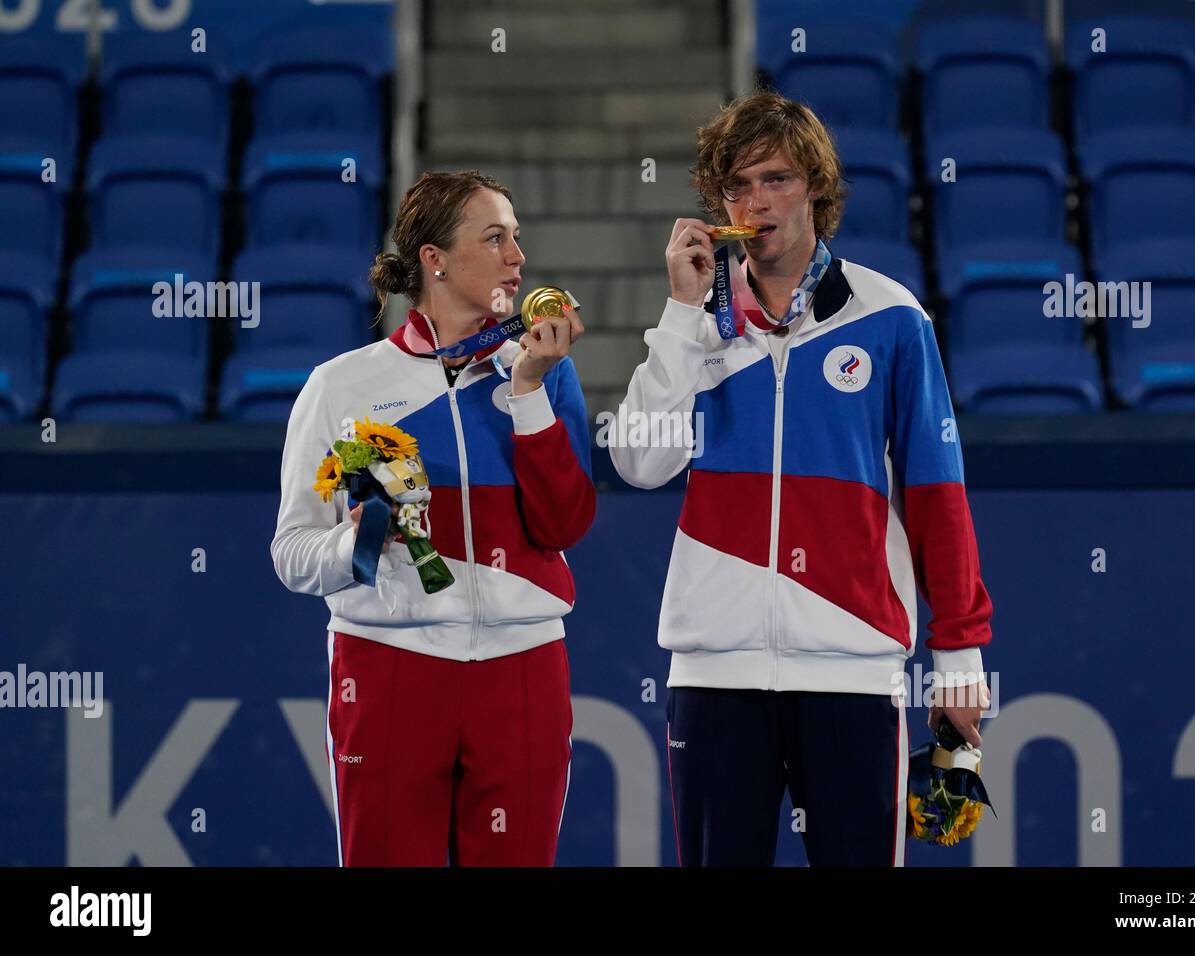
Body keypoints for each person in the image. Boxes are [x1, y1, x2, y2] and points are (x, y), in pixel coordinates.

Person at [610, 91, 994, 866]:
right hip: (715, 670)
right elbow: (638, 463)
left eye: (776, 180)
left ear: (816, 184)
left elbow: (936, 495)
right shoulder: (700, 322)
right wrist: (683, 319)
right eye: (737, 187)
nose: (756, 203)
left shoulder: (891, 319)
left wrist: (958, 655)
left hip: (852, 664)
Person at [270, 170, 595, 866]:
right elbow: (293, 552)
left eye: (517, 238)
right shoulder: (345, 386)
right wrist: (360, 539)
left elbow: (564, 525)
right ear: (434, 258)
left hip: (524, 666)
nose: (517, 257)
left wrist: (531, 391)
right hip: (388, 665)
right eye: (496, 237)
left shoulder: (543, 367)